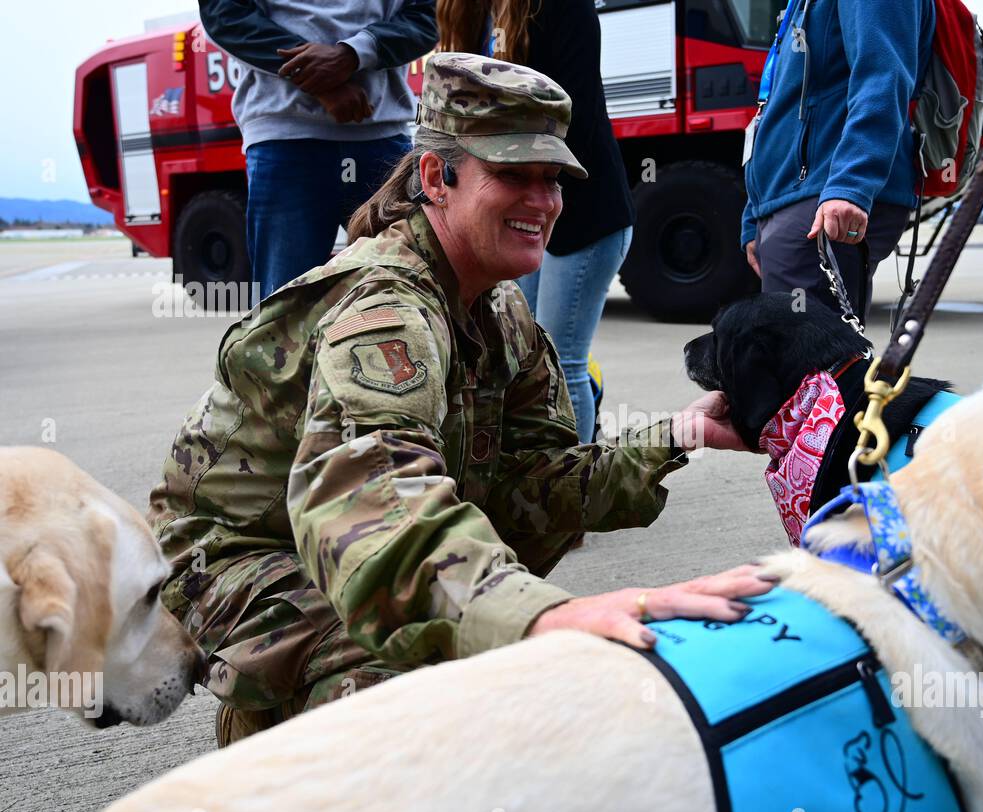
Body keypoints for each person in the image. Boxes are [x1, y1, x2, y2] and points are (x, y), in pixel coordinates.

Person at [148, 53, 770, 747]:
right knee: (392, 671)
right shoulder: (386, 310)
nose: (543, 201)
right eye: (512, 175)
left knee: (465, 630)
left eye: (553, 179)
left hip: (332, 537)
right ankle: (266, 738)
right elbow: (373, 505)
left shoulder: (500, 308)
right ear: (436, 178)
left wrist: (678, 434)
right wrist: (541, 620)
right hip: (236, 556)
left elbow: (531, 487)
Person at [437, 0, 634, 443]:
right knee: (522, 357)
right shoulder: (468, 12)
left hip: (585, 213)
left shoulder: (561, 9)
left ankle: (573, 490)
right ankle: (531, 473)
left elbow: (572, 119)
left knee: (563, 363)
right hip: (521, 212)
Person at [198, 0, 439, 296]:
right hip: (335, 138)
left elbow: (425, 19)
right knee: (399, 287)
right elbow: (224, 15)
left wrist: (348, 55)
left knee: (403, 293)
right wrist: (330, 70)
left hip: (294, 139)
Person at [741, 0, 935, 320]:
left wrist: (850, 185)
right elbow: (775, 111)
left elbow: (883, 76)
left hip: (824, 194)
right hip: (794, 196)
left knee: (811, 359)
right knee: (799, 361)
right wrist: (755, 216)